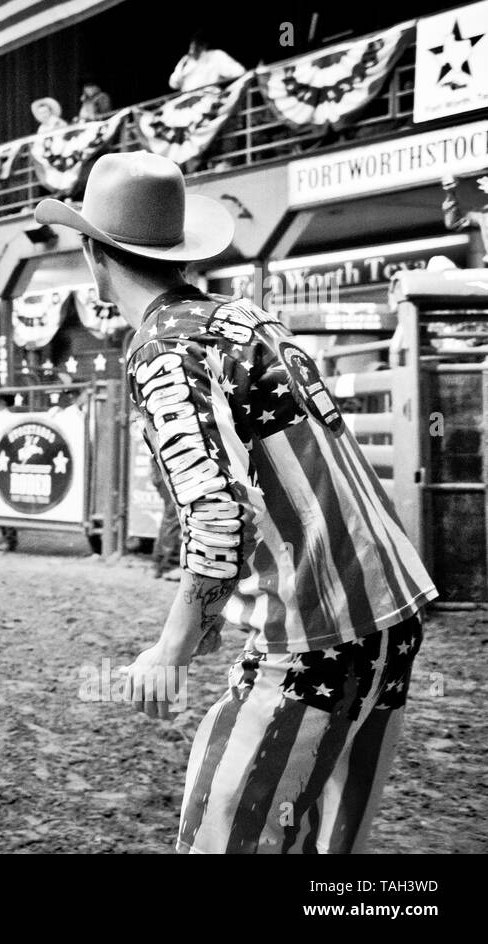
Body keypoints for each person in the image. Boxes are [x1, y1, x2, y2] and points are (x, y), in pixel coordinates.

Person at [34, 151, 437, 854]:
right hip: (389, 612)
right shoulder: (245, 319)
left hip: (313, 633)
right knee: (330, 841)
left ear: (95, 256)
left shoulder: (163, 351)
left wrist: (172, 647)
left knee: (224, 837)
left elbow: (218, 508)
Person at [169, 32, 245, 93]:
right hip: (186, 99)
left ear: (204, 45)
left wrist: (221, 80)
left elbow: (239, 72)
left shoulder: (216, 55)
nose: (194, 46)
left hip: (207, 96)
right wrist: (181, 72)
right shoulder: (185, 61)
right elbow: (173, 84)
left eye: (198, 43)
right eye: (193, 43)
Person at [441, 174, 488, 246]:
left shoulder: (483, 215)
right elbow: (454, 223)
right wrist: (450, 192)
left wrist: (450, 192)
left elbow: (454, 223)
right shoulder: (483, 215)